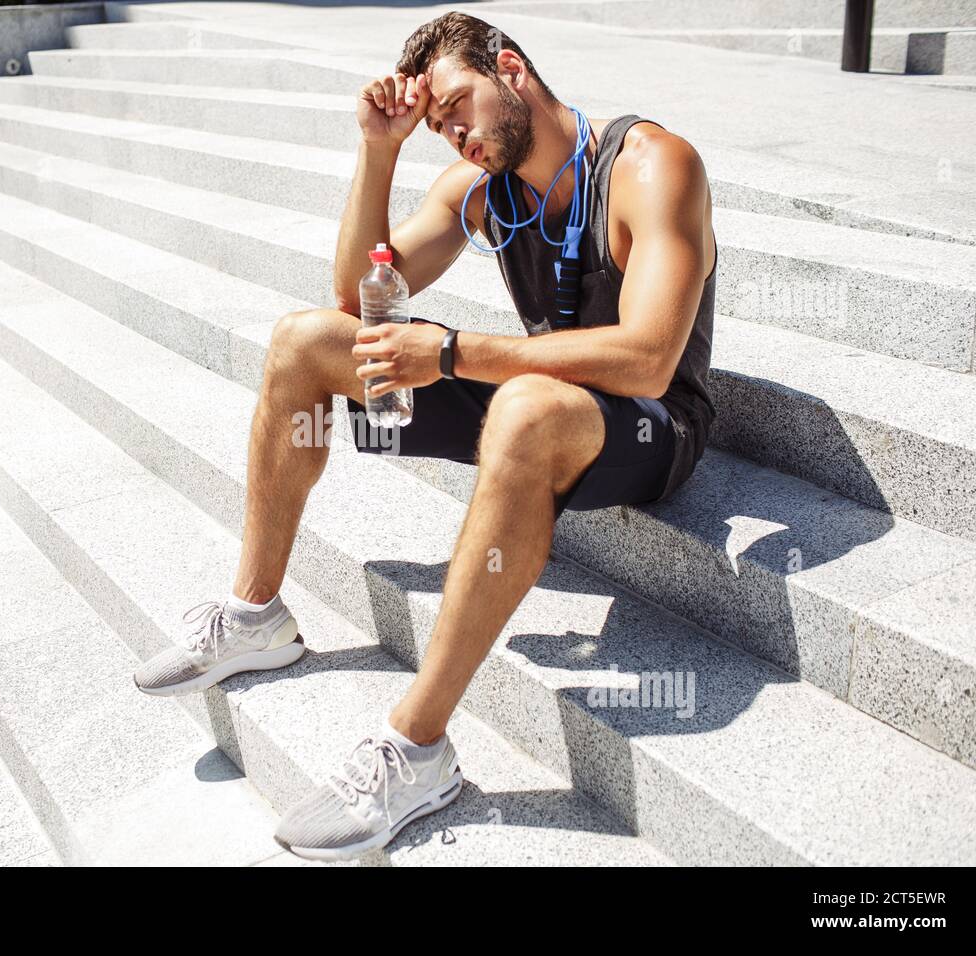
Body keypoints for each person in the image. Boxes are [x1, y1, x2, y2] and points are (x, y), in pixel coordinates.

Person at [133, 11, 717, 862]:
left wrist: (447, 354)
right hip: (534, 397)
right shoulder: (480, 187)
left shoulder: (651, 165)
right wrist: (381, 148)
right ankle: (256, 614)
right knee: (305, 341)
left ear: (509, 69)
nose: (456, 136)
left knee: (518, 404)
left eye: (458, 108)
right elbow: (357, 292)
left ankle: (417, 750)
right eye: (438, 126)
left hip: (650, 426)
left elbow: (652, 357)